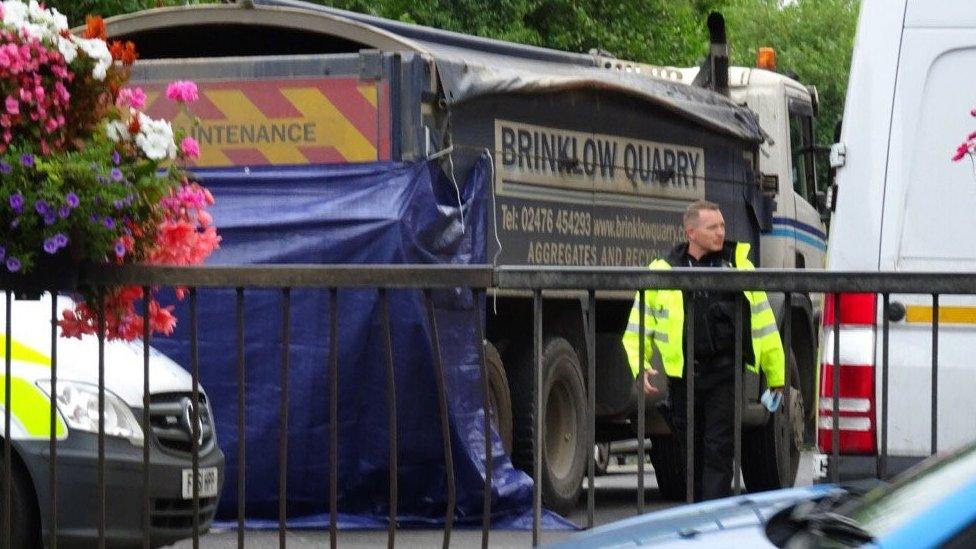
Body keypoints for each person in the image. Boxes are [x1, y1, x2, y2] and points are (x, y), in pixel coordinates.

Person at [622, 200, 785, 501]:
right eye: (713, 227)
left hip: (725, 374)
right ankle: (699, 517)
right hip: (685, 379)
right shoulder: (664, 271)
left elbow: (764, 326)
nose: (721, 233)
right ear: (691, 232)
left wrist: (776, 376)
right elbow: (637, 325)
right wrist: (640, 364)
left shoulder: (739, 268)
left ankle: (712, 521)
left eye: (722, 226)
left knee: (718, 451)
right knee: (691, 453)